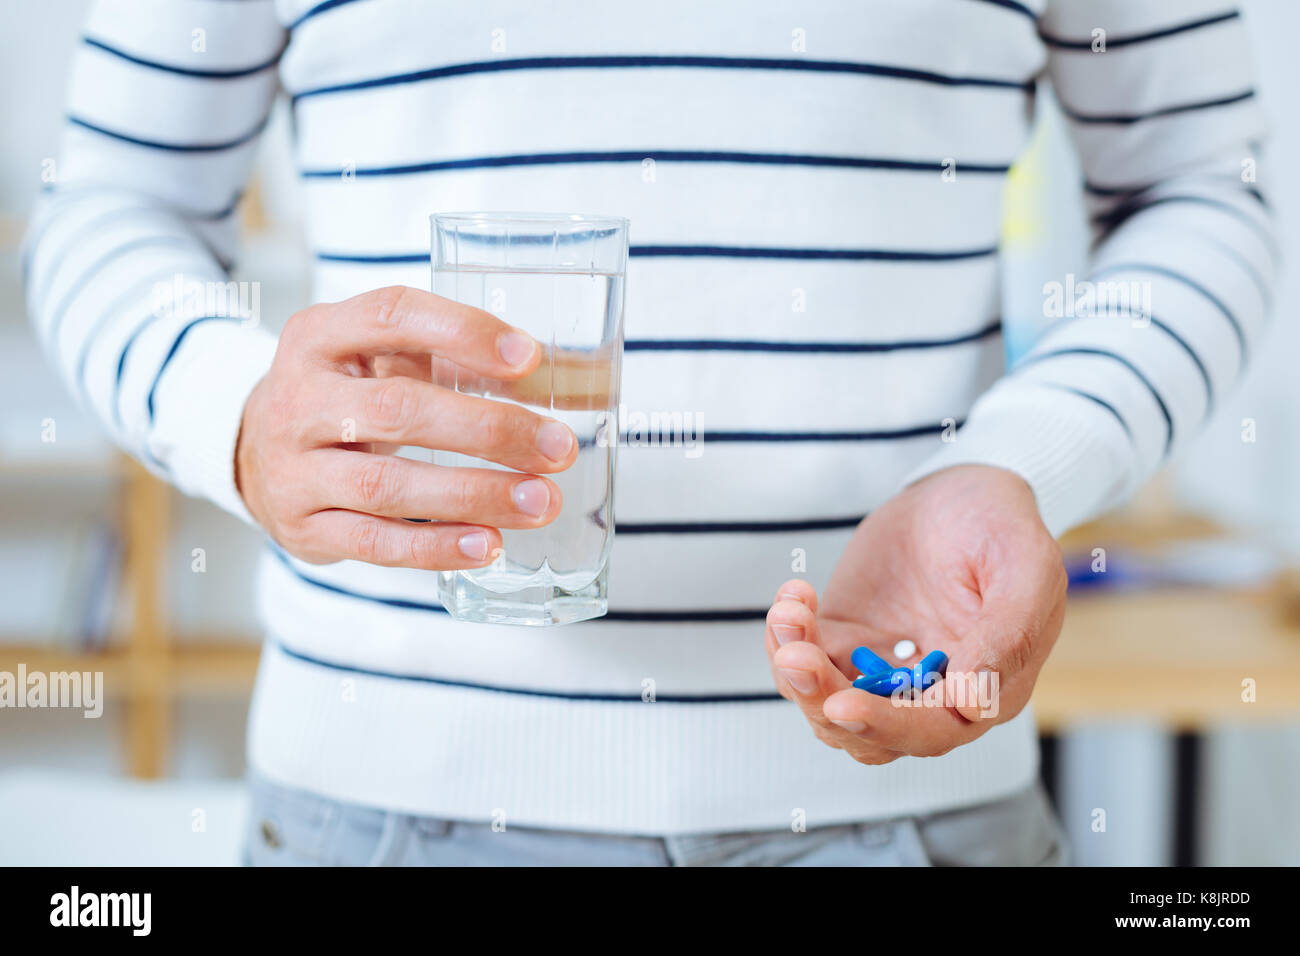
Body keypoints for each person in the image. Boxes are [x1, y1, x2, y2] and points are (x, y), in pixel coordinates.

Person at [25, 0, 1274, 866]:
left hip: (906, 813)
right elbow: (111, 204)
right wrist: (234, 412)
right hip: (384, 810)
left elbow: (1202, 183)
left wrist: (1027, 458)